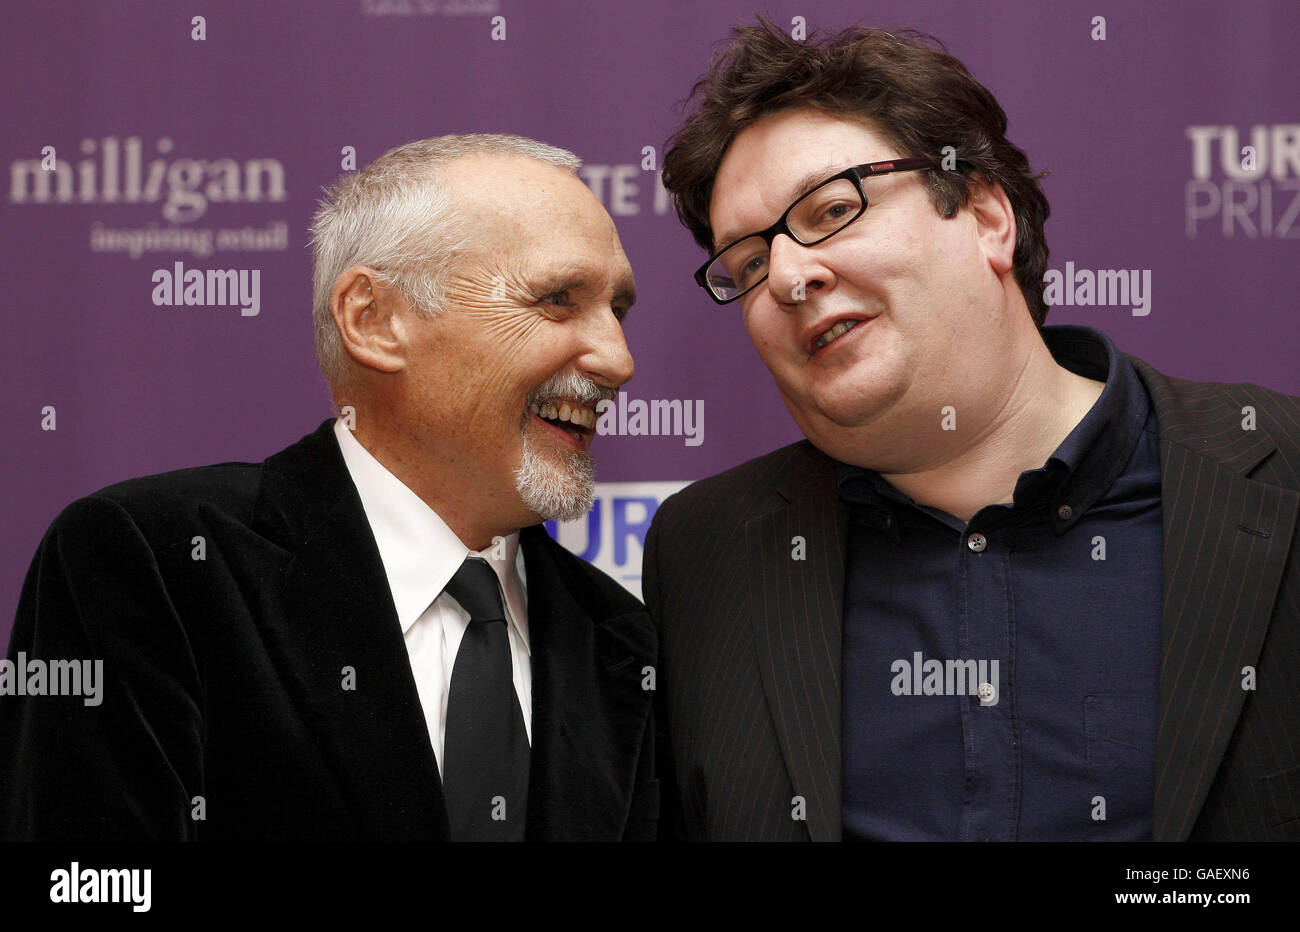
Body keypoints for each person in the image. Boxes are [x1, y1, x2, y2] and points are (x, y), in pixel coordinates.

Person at [646, 19, 1299, 841]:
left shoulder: (1279, 474)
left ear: (989, 216)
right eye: (745, 263)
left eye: (833, 208)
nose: (786, 276)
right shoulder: (706, 554)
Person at [1, 134, 658, 842]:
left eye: (617, 309)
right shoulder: (156, 563)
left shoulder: (621, 640)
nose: (618, 360)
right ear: (373, 320)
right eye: (558, 299)